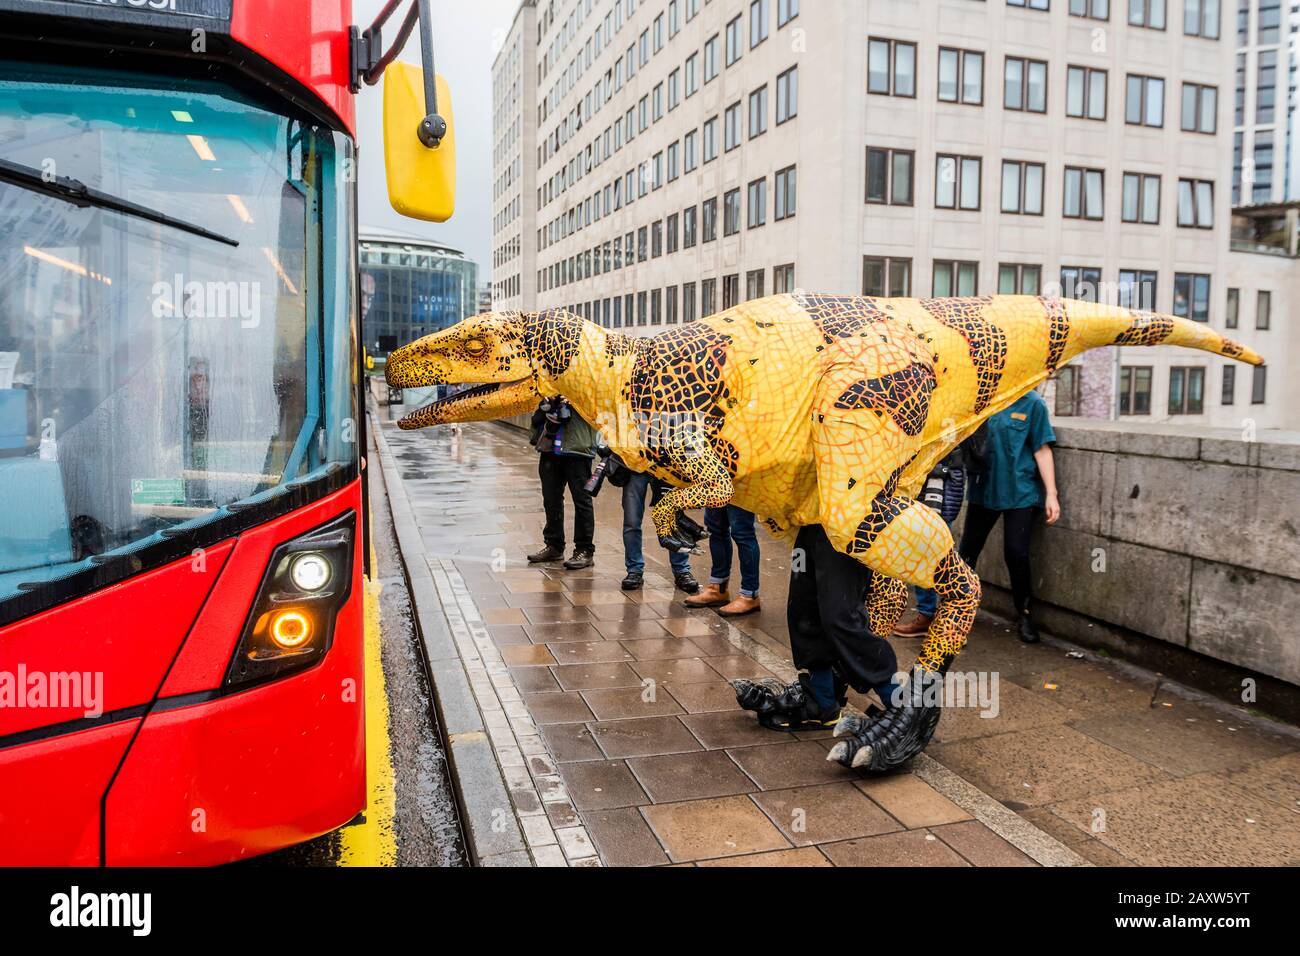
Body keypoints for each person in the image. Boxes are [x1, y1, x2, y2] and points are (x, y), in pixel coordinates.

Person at [958, 388, 1060, 643]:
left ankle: (1024, 614)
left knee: (1016, 553)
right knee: (967, 551)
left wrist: (1052, 494)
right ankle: (956, 611)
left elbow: (1042, 449)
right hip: (984, 489)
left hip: (1020, 491)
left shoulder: (1033, 403)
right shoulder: (985, 397)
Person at [894, 447, 967, 637]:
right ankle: (928, 616)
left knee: (939, 556)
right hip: (925, 477)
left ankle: (951, 624)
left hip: (942, 482)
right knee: (923, 553)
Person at [526, 396, 598, 570]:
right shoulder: (551, 381)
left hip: (578, 449)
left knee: (582, 501)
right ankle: (554, 545)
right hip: (550, 448)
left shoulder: (588, 380)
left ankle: (584, 550)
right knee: (551, 499)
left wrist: (573, 402)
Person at [620, 471, 701, 594]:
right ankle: (634, 570)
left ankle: (682, 571)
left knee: (672, 517)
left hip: (665, 462)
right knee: (632, 521)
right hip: (635, 463)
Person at [684, 505, 761, 616]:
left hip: (742, 489)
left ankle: (750, 596)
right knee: (715, 528)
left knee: (742, 532)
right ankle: (718, 588)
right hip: (716, 487)